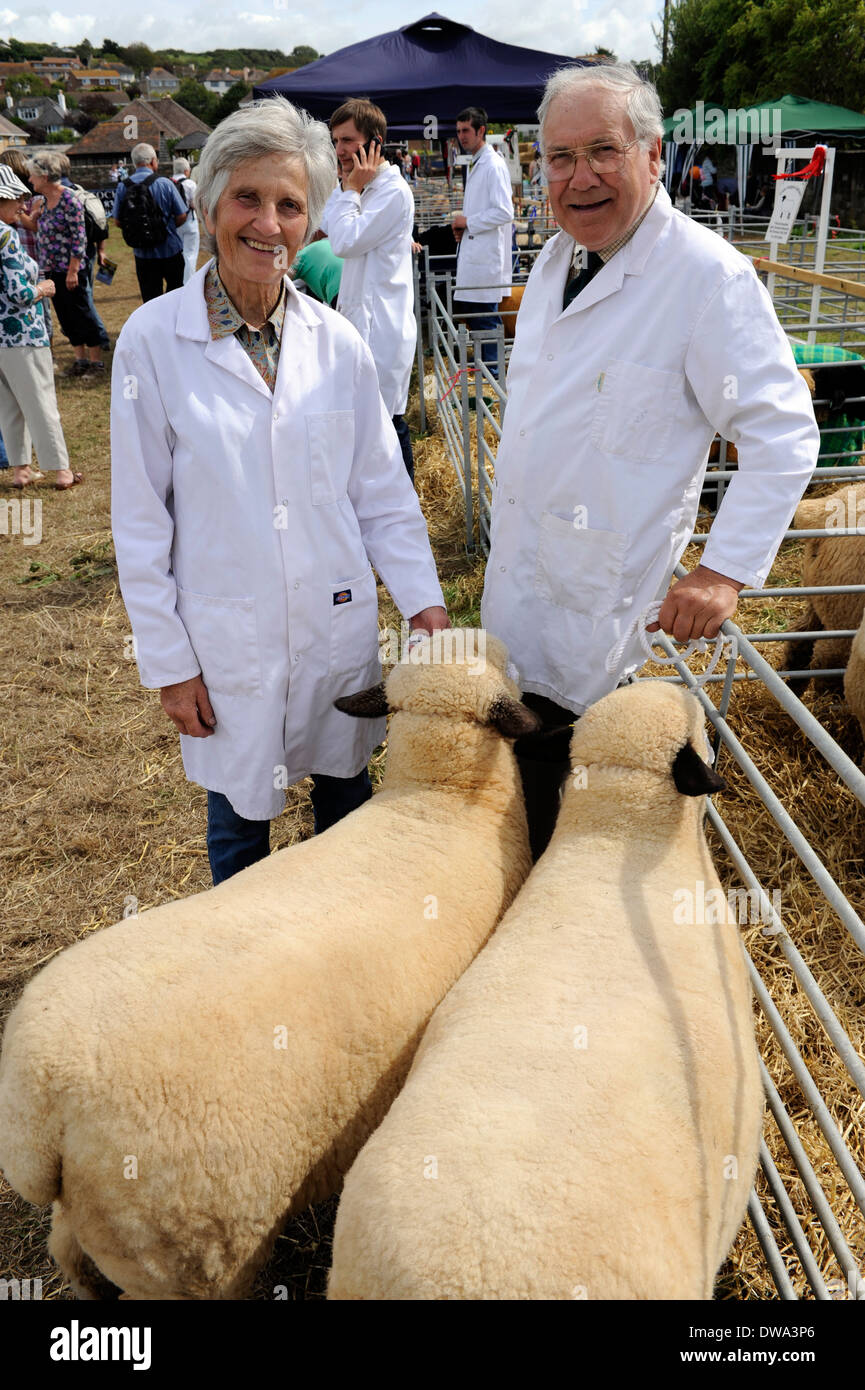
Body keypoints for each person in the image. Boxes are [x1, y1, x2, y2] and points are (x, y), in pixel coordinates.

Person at [480, 61, 819, 859]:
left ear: (652, 153)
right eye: (559, 158)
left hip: (604, 622)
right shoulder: (555, 262)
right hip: (519, 598)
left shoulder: (705, 279)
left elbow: (783, 431)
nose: (579, 176)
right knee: (516, 812)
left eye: (603, 149)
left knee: (583, 832)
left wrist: (722, 571)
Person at [110, 98, 448, 887]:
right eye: (247, 199)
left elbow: (382, 494)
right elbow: (139, 519)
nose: (268, 223)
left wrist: (424, 604)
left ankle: (343, 971)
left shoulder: (340, 343)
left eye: (290, 205)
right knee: (239, 831)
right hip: (229, 639)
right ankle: (241, 972)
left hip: (335, 630)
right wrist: (168, 661)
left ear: (312, 220)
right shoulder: (154, 343)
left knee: (349, 817)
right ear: (209, 204)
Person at [322, 98, 417, 482]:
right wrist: (351, 190)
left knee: (388, 426)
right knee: (364, 426)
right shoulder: (357, 189)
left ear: (373, 144)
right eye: (335, 141)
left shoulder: (393, 193)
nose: (340, 150)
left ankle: (407, 511)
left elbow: (343, 241)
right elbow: (329, 221)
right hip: (360, 321)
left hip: (382, 329)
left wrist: (352, 192)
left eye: (347, 140)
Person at [0, 164, 80, 490]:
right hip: (23, 334)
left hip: (1, 339)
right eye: (15, 198)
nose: (22, 204)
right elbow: (20, 293)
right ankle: (61, 471)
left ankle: (21, 471)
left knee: (9, 406)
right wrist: (45, 287)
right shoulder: (6, 236)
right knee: (41, 403)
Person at [27, 153, 106, 380]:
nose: (30, 179)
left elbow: (78, 238)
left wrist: (73, 271)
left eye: (33, 174)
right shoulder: (42, 201)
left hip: (71, 270)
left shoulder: (69, 199)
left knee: (82, 312)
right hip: (51, 270)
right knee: (65, 316)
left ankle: (96, 362)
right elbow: (38, 229)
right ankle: (80, 360)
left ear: (44, 175)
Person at [451, 105, 514, 380]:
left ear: (481, 131)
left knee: (486, 318)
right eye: (458, 131)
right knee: (477, 316)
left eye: (466, 130)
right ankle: (487, 373)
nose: (461, 136)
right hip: (475, 252)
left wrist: (469, 223)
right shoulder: (479, 162)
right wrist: (464, 228)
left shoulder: (494, 164)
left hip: (486, 259)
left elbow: (504, 212)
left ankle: (494, 378)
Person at [112, 142, 187, 303]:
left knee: (150, 301)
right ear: (153, 161)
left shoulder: (122, 187)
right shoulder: (165, 183)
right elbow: (181, 215)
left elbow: (117, 221)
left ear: (134, 163)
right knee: (176, 296)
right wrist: (166, 226)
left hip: (143, 254)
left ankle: (155, 328)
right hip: (170, 249)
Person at [291, 229, 342, 307]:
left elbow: (278, 279)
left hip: (339, 290)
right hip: (360, 284)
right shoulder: (328, 244)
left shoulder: (303, 254)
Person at [171, 156, 200, 284]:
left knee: (178, 254)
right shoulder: (191, 184)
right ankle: (188, 282)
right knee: (190, 254)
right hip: (189, 222)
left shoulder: (169, 183)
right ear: (186, 170)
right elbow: (195, 204)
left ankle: (178, 280)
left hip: (175, 223)